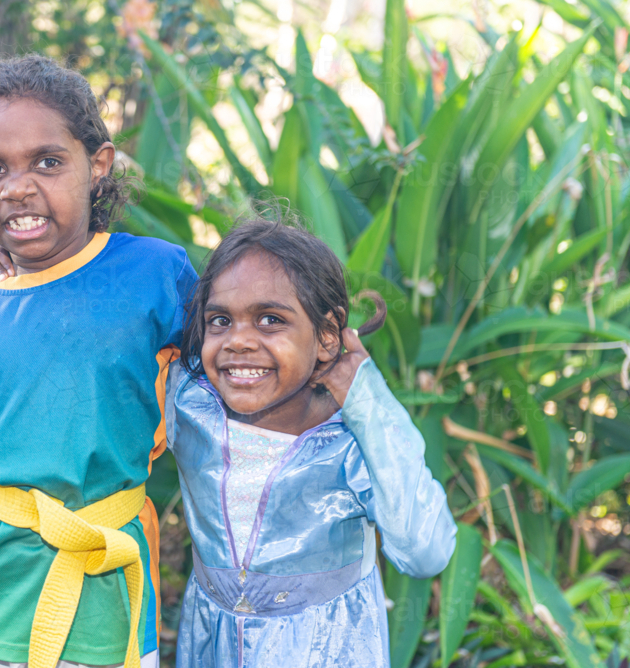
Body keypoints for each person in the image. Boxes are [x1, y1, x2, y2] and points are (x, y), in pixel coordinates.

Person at [0, 55, 196, 668]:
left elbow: (238, 377)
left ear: (97, 166)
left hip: (109, 607)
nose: (19, 187)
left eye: (48, 162)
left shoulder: (158, 275)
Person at [165, 217, 457, 667]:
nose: (239, 341)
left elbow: (425, 552)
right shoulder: (189, 404)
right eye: (220, 320)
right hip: (210, 647)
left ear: (326, 335)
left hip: (324, 649)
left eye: (270, 320)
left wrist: (366, 396)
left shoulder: (352, 443)